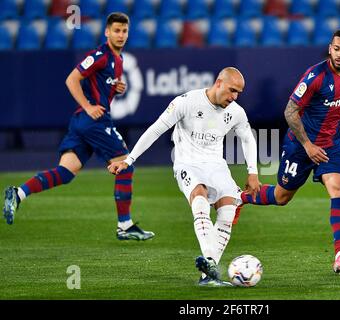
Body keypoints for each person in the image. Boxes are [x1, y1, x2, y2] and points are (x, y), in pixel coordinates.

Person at [3, 12, 154, 241]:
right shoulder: (100, 55)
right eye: (116, 30)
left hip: (82, 123)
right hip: (93, 120)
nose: (120, 35)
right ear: (107, 32)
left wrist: (116, 87)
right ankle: (125, 225)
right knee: (125, 164)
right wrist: (88, 106)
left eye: (124, 31)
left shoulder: (118, 60)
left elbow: (102, 85)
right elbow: (71, 79)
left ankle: (18, 193)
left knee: (65, 173)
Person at [108, 67, 260, 286]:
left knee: (228, 212)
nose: (234, 97)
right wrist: (129, 160)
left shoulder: (236, 112)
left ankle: (208, 275)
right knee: (199, 198)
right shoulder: (186, 102)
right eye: (232, 90)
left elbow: (248, 139)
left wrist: (252, 172)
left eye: (239, 93)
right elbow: (156, 129)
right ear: (218, 83)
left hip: (217, 166)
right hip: (188, 164)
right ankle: (209, 263)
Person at [233, 29, 340, 274]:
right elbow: (290, 111)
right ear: (330, 48)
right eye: (336, 49)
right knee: (282, 197)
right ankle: (239, 198)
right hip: (300, 146)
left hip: (330, 146)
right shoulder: (315, 75)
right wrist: (307, 146)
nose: (339, 54)